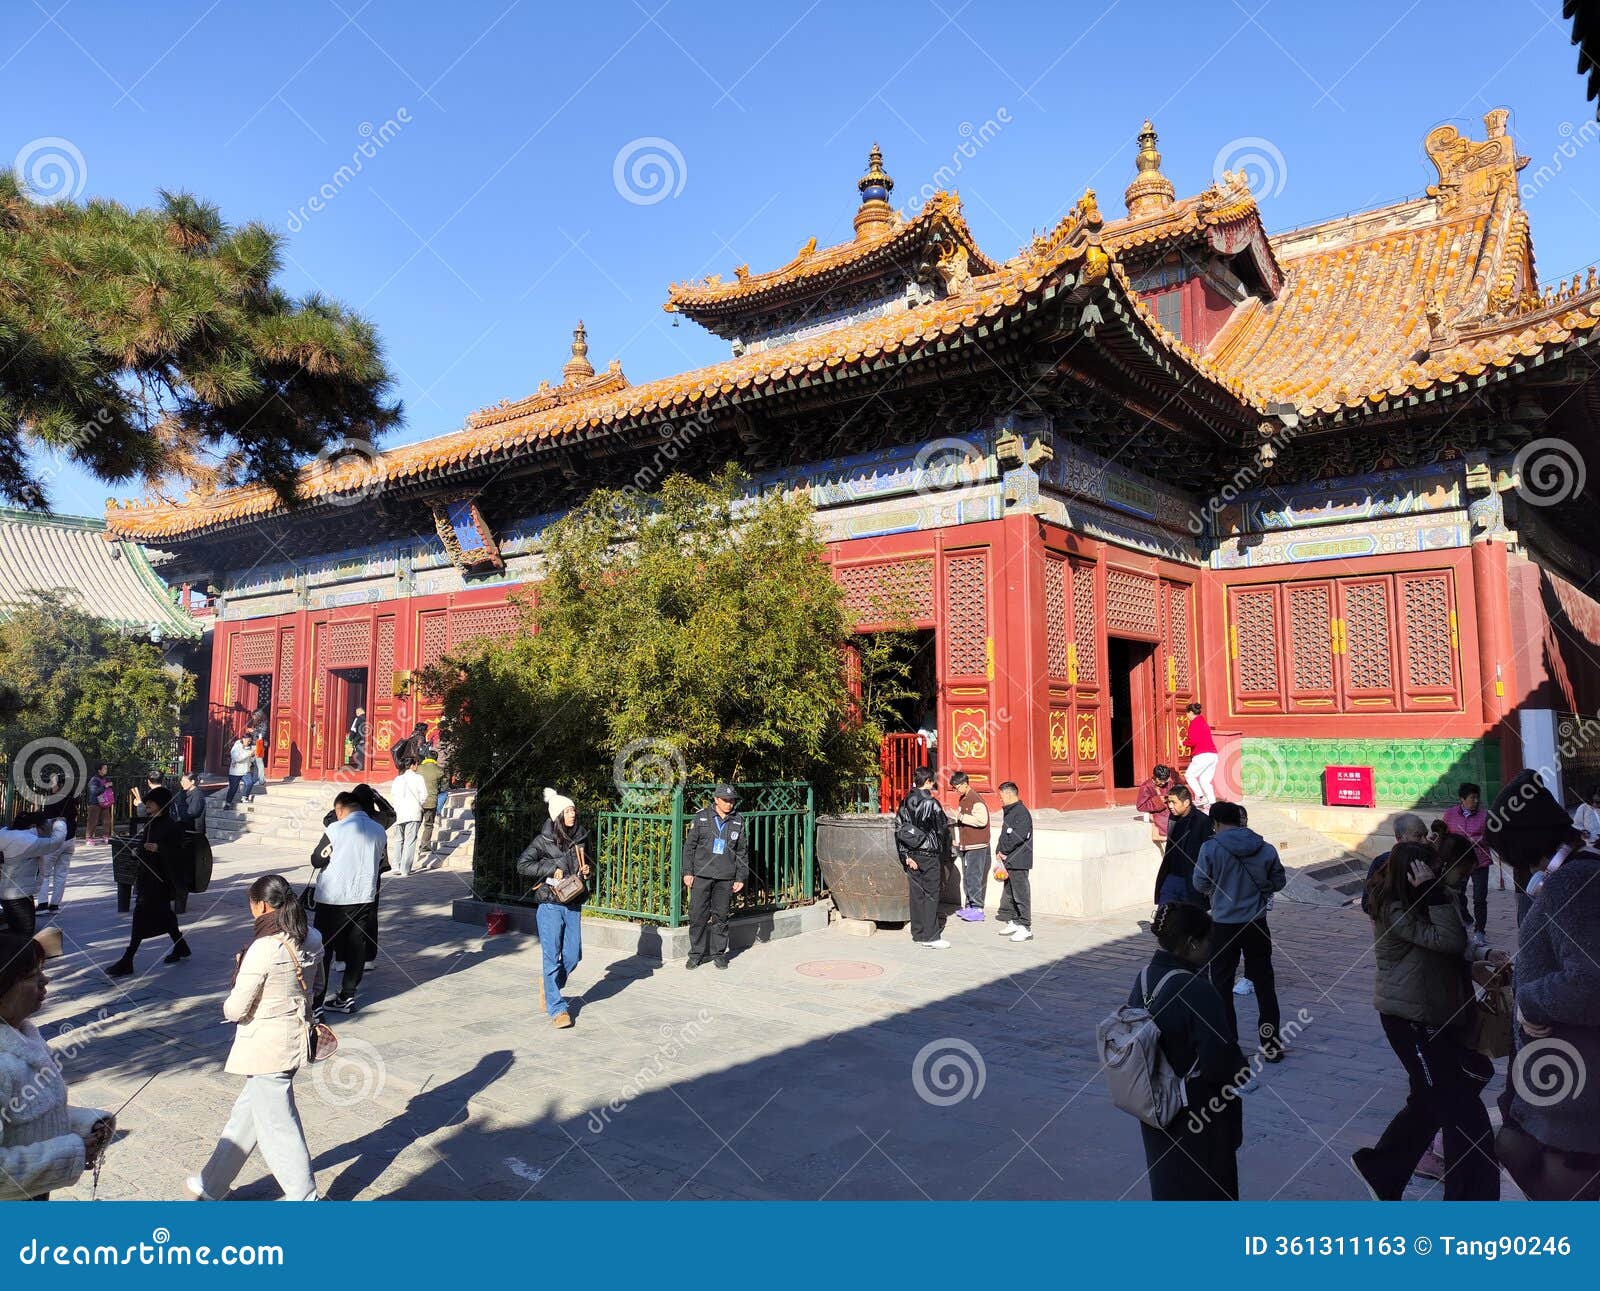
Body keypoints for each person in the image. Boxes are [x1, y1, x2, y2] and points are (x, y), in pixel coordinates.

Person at [1351, 840, 1500, 1200]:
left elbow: (1459, 940)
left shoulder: (1436, 897)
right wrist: (1434, 892)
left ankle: (1382, 1170)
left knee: (1436, 1096)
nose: (1460, 880)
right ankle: (1469, 1201)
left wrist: (1485, 952)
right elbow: (1446, 940)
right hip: (1410, 1020)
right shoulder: (1393, 908)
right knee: (1461, 1110)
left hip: (1440, 1015)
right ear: (1422, 872)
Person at [186, 875, 322, 1202]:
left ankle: (305, 1199)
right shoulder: (313, 936)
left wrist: (240, 970)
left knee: (279, 1128)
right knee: (244, 1119)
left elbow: (235, 1009)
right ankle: (211, 1185)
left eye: (251, 904)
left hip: (266, 1048)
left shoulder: (264, 947)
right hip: (295, 1036)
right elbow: (315, 988)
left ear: (260, 905)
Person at [1493, 787, 1600, 1200]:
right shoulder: (1578, 872)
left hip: (1575, 1086)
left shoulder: (1574, 881)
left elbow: (1591, 982)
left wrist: (1530, 1000)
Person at [1131, 902, 1247, 1200]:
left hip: (1156, 1102)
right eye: (1207, 940)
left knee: (1169, 1184)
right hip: (1197, 1109)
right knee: (1208, 1188)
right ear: (1192, 943)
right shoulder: (1197, 990)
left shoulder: (1144, 978)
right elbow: (1219, 1063)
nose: (1211, 947)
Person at [0, 930, 115, 1200]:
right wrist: (71, 1153)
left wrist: (87, 1125)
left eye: (42, 970)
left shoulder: (26, 1034)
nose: (45, 980)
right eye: (31, 976)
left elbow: (28, 1114)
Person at [1194, 800, 1286, 1061]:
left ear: (1216, 822)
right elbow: (1279, 881)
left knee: (1221, 987)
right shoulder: (1265, 848)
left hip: (1223, 925)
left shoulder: (1210, 848)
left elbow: (1199, 882)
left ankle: (1229, 1046)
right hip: (1256, 923)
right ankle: (1271, 1045)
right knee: (1265, 987)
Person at [515, 788, 591, 1029]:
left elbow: (588, 865)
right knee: (551, 956)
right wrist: (550, 867)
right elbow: (522, 865)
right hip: (549, 904)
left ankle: (549, 986)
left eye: (573, 810)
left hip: (573, 901)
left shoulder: (580, 837)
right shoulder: (543, 841)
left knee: (572, 955)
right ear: (558, 815)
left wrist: (587, 871)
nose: (573, 814)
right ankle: (557, 1009)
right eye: (568, 811)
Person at [308, 791, 386, 1013]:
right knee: (356, 946)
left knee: (323, 947)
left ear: (340, 809)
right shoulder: (379, 830)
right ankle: (347, 995)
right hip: (364, 896)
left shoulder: (336, 829)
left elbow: (317, 859)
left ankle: (316, 1002)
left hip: (334, 897)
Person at [106, 786, 190, 977]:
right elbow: (145, 846)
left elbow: (179, 854)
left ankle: (128, 959)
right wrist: (139, 852)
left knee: (140, 917)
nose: (147, 805)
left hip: (160, 881)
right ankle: (181, 946)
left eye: (151, 803)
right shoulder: (151, 823)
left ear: (160, 804)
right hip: (146, 878)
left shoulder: (171, 826)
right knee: (166, 918)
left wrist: (160, 849)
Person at [683, 785, 750, 969]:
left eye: (732, 800)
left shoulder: (737, 820)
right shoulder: (702, 817)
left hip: (725, 876)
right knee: (698, 915)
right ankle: (696, 954)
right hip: (702, 875)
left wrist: (740, 877)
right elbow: (690, 847)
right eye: (725, 800)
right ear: (716, 800)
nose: (729, 804)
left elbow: (742, 852)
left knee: (721, 916)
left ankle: (718, 953)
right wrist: (687, 872)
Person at [894, 768, 950, 949]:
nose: (933, 785)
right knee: (931, 894)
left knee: (916, 895)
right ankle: (931, 936)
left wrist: (905, 856)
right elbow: (942, 829)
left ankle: (918, 934)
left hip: (912, 855)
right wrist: (943, 850)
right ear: (927, 781)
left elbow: (898, 829)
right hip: (929, 854)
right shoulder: (932, 803)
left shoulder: (904, 802)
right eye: (932, 782)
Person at [1442, 782, 1491, 944]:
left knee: (1479, 898)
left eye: (1477, 797)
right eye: (1472, 798)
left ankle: (1480, 931)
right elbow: (1444, 835)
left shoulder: (1485, 815)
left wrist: (1474, 840)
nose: (1476, 801)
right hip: (1458, 863)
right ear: (1462, 799)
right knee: (1456, 894)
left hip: (1480, 862)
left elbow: (1490, 836)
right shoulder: (1449, 814)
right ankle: (1466, 919)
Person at [1153, 784, 1213, 906]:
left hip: (1191, 878)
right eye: (1168, 802)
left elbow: (1209, 854)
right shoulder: (1173, 818)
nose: (1170, 806)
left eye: (1173, 802)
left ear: (1186, 802)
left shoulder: (1202, 821)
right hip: (1172, 875)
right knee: (1164, 914)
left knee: (1188, 918)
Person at [1360, 813, 1430, 915]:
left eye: (1426, 835)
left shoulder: (1429, 860)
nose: (1425, 842)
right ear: (1399, 838)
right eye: (1418, 836)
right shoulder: (1382, 862)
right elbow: (1367, 904)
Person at [993, 781, 1034, 942]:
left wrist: (1004, 851)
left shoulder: (1021, 813)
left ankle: (1025, 926)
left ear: (1009, 794)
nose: (1000, 799)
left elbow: (1019, 836)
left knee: (1021, 893)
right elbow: (1005, 834)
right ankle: (1015, 921)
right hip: (1008, 860)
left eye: (1001, 795)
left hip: (1018, 860)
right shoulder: (1010, 812)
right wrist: (998, 850)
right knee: (1010, 893)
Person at [946, 771, 990, 922]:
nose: (955, 790)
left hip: (976, 845)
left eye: (956, 787)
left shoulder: (975, 799)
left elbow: (982, 820)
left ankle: (977, 908)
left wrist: (961, 817)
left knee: (974, 876)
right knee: (968, 876)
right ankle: (970, 906)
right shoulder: (964, 798)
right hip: (967, 844)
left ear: (965, 784)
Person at [388, 759, 427, 877]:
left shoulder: (397, 779)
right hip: (413, 812)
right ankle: (405, 869)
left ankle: (396, 866)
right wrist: (419, 804)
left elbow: (393, 795)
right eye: (416, 764)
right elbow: (424, 795)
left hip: (399, 812)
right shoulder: (418, 778)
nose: (417, 766)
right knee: (410, 840)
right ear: (412, 765)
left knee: (398, 839)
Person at [1182, 702, 1219, 809]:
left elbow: (1193, 741)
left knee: (1189, 775)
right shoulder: (1203, 722)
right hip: (1213, 755)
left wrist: (1184, 743)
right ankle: (1212, 802)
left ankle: (1201, 797)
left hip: (1202, 755)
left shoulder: (1194, 723)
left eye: (1187, 714)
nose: (1187, 716)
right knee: (1204, 780)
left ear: (1190, 713)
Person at [415, 747, 446, 856]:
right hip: (431, 801)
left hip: (418, 801)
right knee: (428, 825)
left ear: (426, 757)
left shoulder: (418, 769)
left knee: (415, 824)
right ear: (436, 759)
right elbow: (444, 787)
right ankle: (424, 846)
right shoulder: (439, 771)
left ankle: (410, 843)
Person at [1136, 764, 1176, 842]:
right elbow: (1140, 806)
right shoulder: (1146, 786)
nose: (1163, 783)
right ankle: (1166, 838)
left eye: (1165, 780)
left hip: (1170, 808)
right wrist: (1158, 801)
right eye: (1161, 780)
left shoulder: (1169, 783)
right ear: (1155, 777)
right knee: (1164, 820)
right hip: (1156, 812)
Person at [87, 764, 115, 841]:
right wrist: (105, 786)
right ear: (99, 770)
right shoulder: (94, 780)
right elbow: (94, 792)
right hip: (95, 802)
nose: (106, 770)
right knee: (93, 821)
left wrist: (110, 786)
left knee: (107, 820)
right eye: (104, 768)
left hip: (105, 802)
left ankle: (106, 836)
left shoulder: (105, 778)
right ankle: (89, 838)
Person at [225, 735, 254, 807]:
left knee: (249, 782)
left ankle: (244, 797)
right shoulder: (236, 747)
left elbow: (250, 760)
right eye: (248, 740)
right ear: (243, 739)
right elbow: (236, 758)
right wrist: (248, 754)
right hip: (235, 771)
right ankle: (228, 803)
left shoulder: (250, 748)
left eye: (250, 741)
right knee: (233, 788)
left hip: (245, 770)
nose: (249, 742)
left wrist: (253, 756)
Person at [176, 771, 208, 837]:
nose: (182, 784)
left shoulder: (197, 795)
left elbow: (193, 812)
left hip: (194, 830)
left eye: (184, 781)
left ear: (192, 782)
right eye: (181, 781)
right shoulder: (183, 793)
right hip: (184, 827)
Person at [346, 707, 367, 771]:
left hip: (359, 739)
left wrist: (350, 738)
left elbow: (353, 730)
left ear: (358, 712)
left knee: (359, 753)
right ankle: (365, 766)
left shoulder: (358, 719)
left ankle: (360, 767)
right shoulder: (368, 717)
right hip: (367, 739)